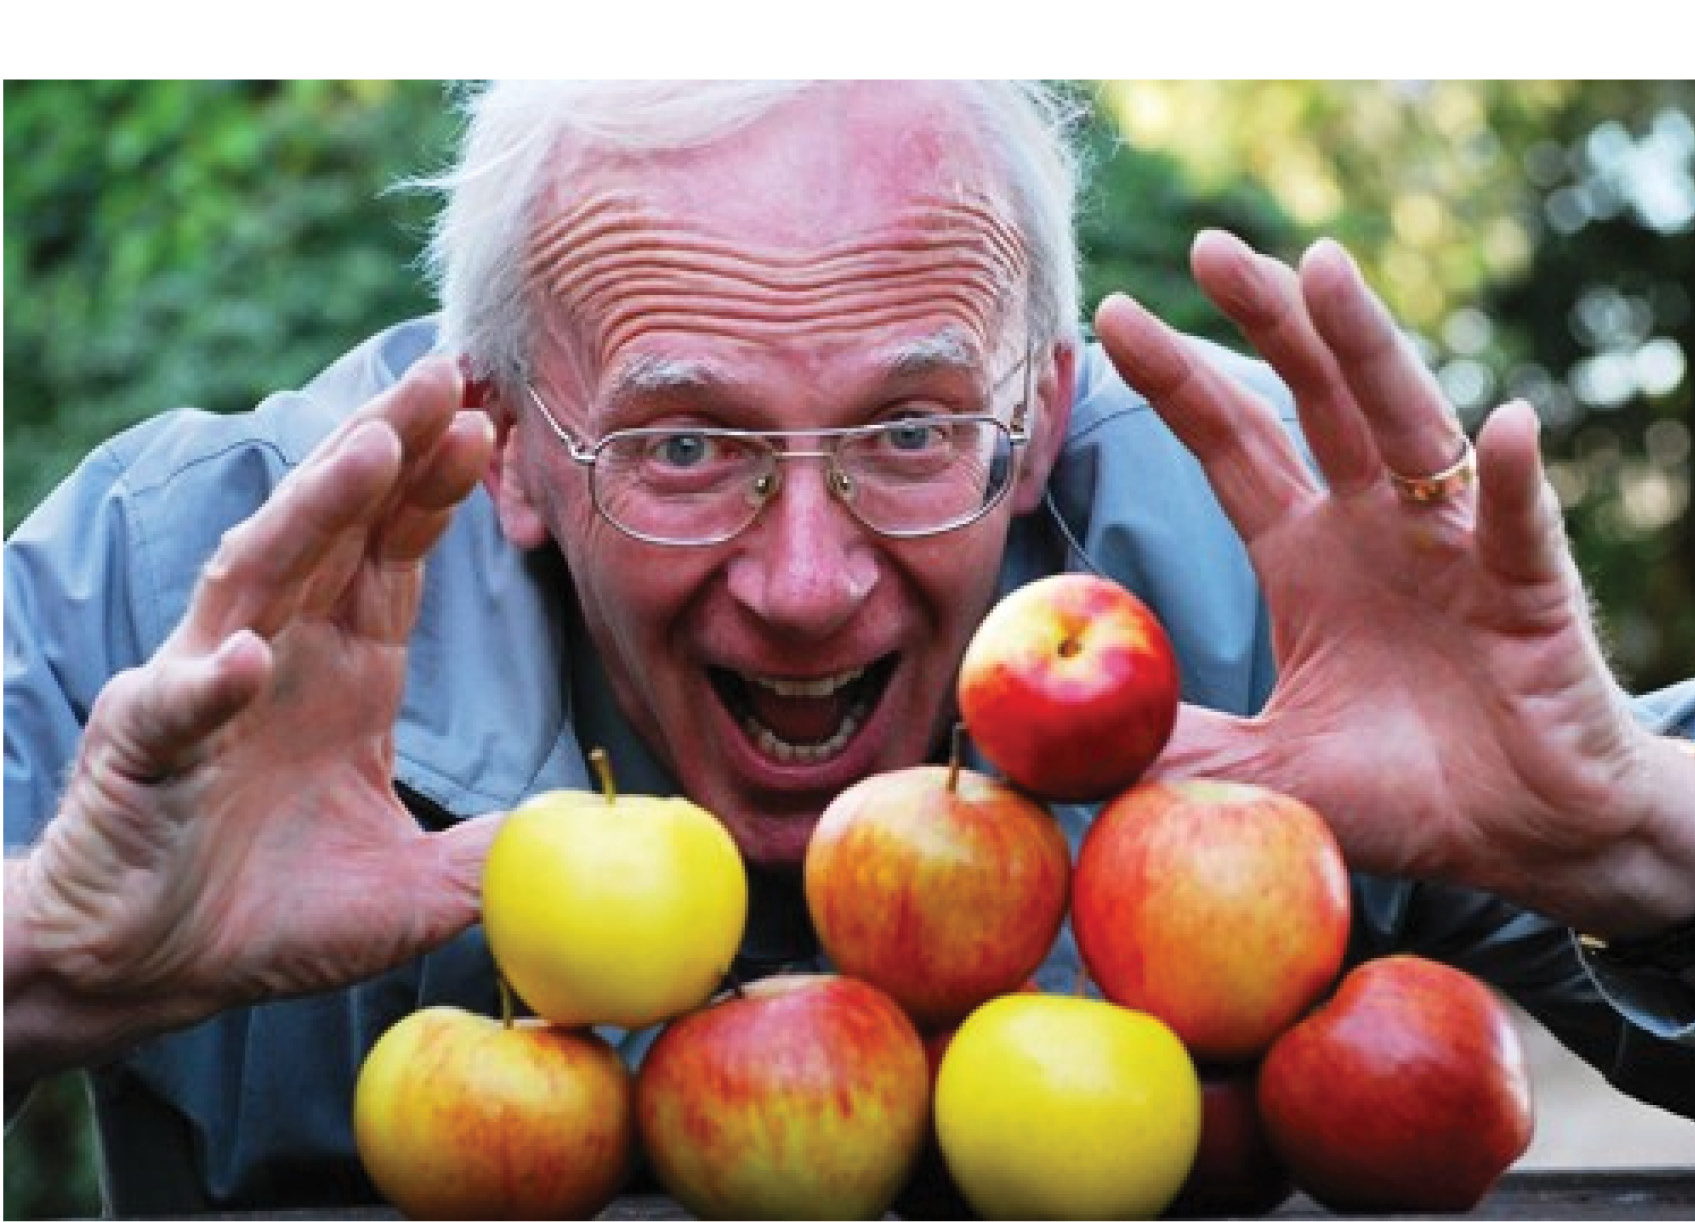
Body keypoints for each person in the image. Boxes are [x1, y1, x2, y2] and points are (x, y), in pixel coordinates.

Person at [5, 80, 1693, 1215]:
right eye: (680, 448)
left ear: (1037, 423)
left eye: (908, 429)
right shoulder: (170, 596)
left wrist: (1626, 834)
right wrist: (55, 964)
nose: (807, 588)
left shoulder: (1281, 555)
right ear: (510, 441)